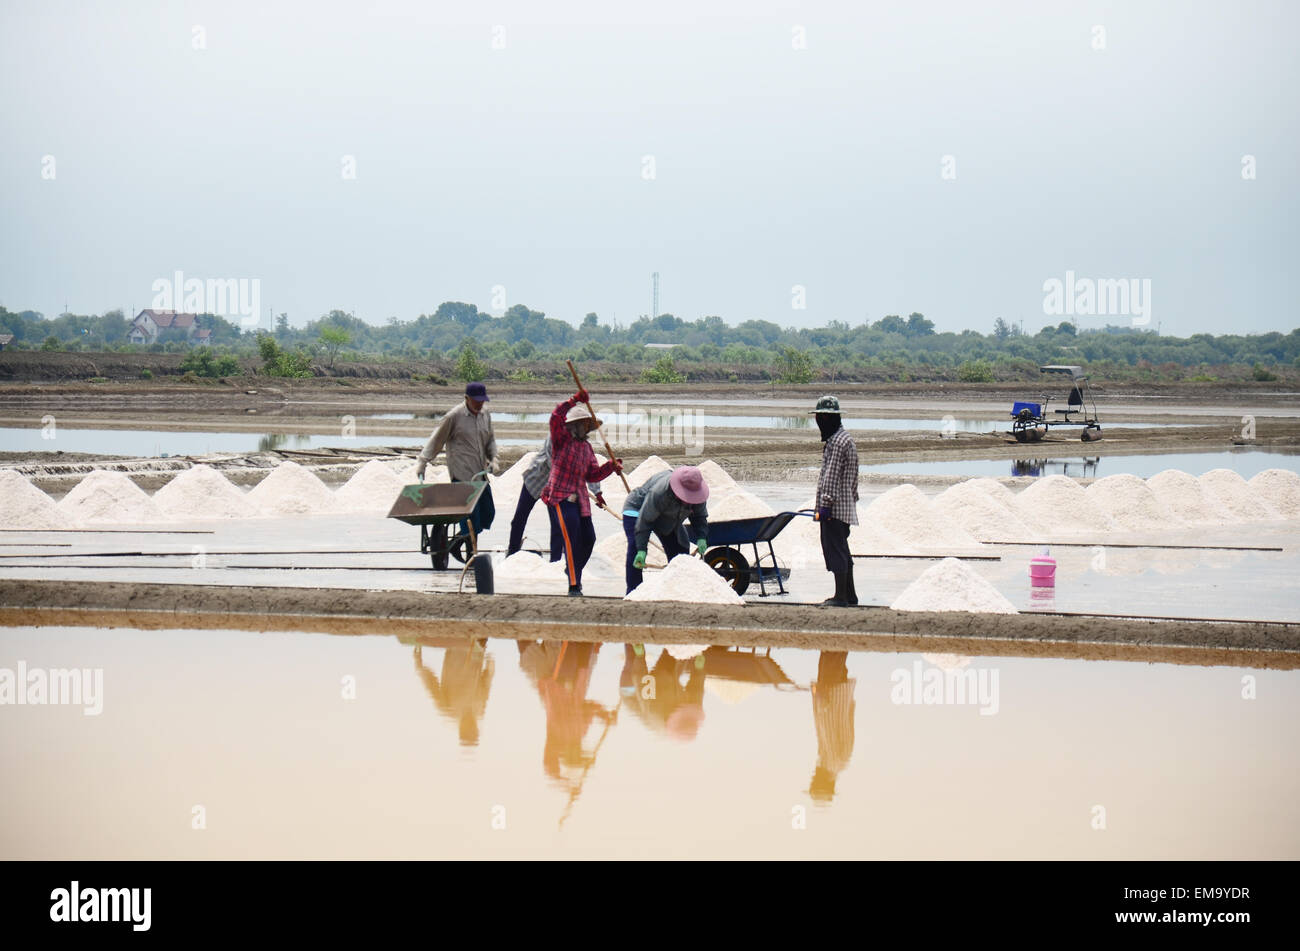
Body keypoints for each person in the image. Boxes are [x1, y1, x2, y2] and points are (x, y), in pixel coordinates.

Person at [540, 388, 622, 596]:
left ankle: (572, 570)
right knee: (571, 536)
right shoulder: (561, 440)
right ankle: (574, 584)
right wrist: (574, 400)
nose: (586, 427)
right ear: (575, 426)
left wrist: (611, 467)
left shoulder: (586, 448)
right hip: (560, 496)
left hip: (581, 500)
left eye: (588, 424)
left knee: (589, 538)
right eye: (584, 424)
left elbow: (592, 475)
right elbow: (555, 417)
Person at [417, 382, 498, 569]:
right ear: (467, 398)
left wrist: (494, 458)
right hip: (461, 476)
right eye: (476, 401)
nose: (480, 405)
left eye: (482, 401)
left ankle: (459, 543)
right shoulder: (454, 417)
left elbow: (490, 440)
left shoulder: (486, 415)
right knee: (471, 521)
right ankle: (471, 557)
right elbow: (436, 440)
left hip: (480, 476)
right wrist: (423, 461)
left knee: (488, 514)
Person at [507, 435, 604, 558]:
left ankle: (555, 561)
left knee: (557, 525)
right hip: (536, 481)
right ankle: (512, 552)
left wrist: (598, 493)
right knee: (520, 517)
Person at [623, 466, 709, 594]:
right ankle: (633, 592)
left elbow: (699, 516)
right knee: (636, 548)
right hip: (638, 509)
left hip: (667, 516)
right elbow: (645, 520)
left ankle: (676, 590)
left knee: (681, 551)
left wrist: (701, 537)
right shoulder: (660, 492)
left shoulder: (697, 492)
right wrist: (642, 549)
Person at [811, 394, 859, 606]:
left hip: (834, 508)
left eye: (821, 418)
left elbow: (830, 476)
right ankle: (850, 595)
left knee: (835, 550)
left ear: (828, 419)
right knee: (843, 550)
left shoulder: (836, 443)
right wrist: (852, 501)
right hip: (846, 506)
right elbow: (854, 479)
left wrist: (825, 505)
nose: (819, 422)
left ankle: (840, 597)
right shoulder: (847, 439)